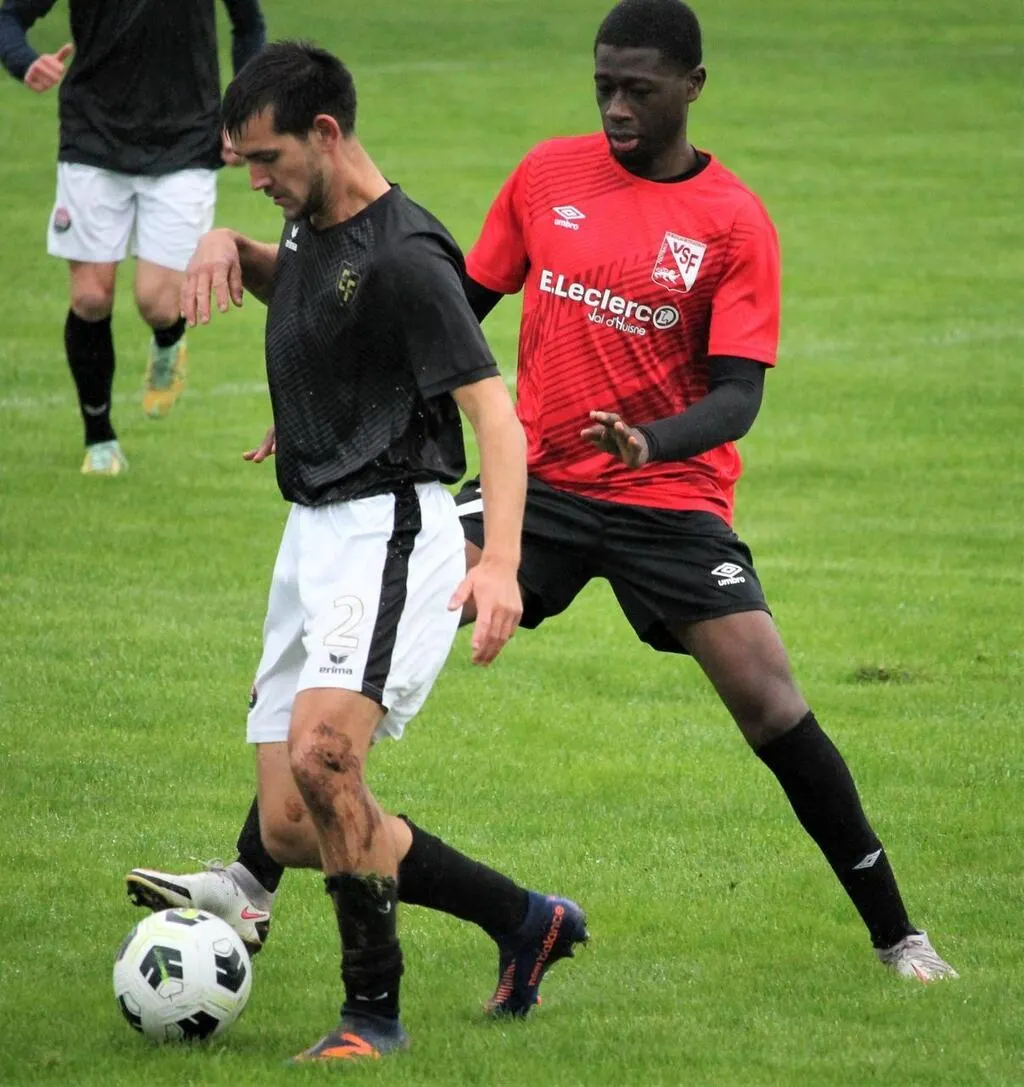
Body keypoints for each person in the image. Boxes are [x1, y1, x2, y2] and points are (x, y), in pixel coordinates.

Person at [130, 0, 956, 991]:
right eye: (604, 86)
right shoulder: (548, 177)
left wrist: (648, 440)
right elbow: (448, 306)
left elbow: (739, 394)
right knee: (354, 638)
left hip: (671, 500)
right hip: (543, 485)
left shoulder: (733, 221)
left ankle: (898, 933)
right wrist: (344, 408)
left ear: (692, 88)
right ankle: (249, 877)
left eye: (638, 90)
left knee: (769, 700)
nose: (616, 107)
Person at [149, 41, 587, 1064]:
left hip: (388, 529)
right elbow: (320, 298)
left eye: (266, 161)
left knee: (324, 759)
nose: (257, 181)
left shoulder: (407, 257)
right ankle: (527, 919)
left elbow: (497, 418)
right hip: (311, 532)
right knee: (291, 823)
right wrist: (229, 242)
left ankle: (371, 1014)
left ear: (326, 135)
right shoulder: (310, 219)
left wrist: (499, 563)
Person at [0, 0, 266, 475]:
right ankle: (99, 438)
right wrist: (24, 61)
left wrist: (241, 117)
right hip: (92, 137)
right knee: (89, 297)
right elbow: (8, 16)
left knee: (158, 304)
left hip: (186, 142)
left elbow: (248, 24)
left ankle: (169, 338)